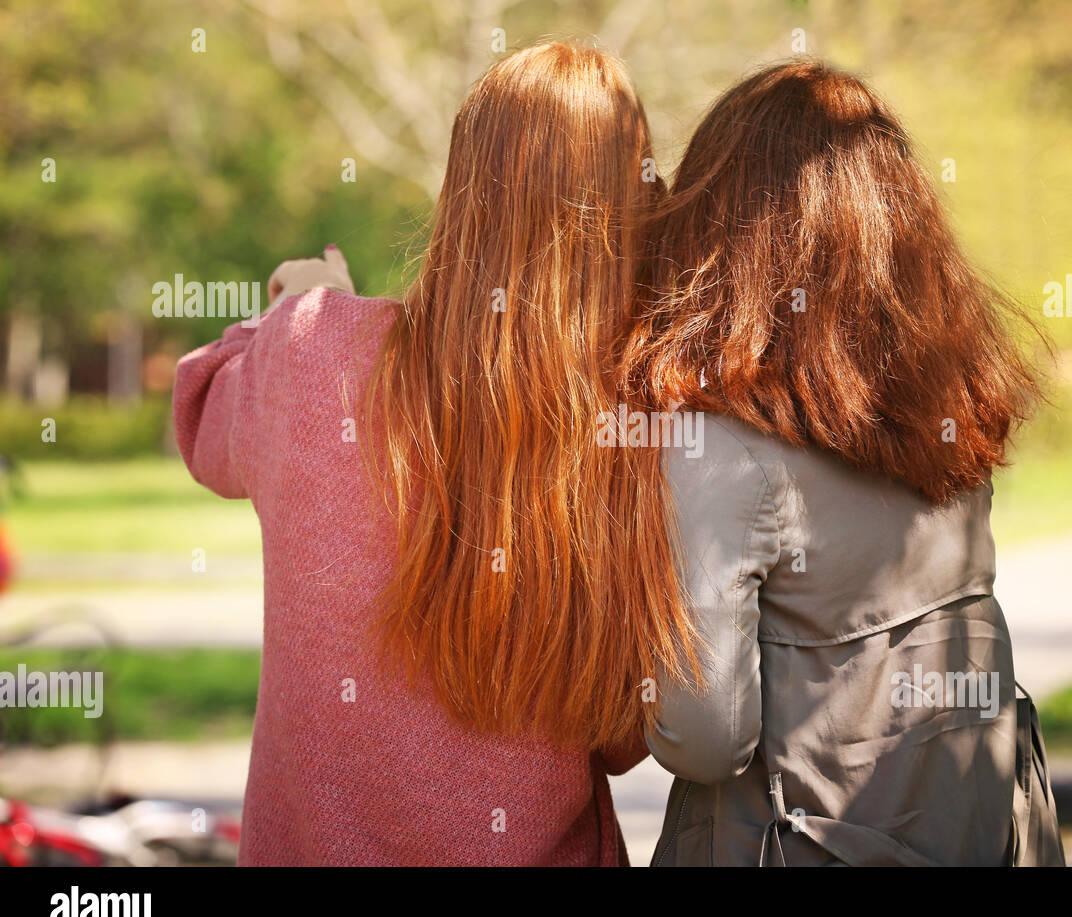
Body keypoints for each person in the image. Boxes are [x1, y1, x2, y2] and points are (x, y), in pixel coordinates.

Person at [173, 42, 694, 865]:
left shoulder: (316, 351)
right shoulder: (637, 421)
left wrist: (300, 309)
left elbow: (201, 417)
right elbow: (623, 735)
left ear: (463, 187)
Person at [622, 61, 1061, 866]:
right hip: (976, 834)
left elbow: (705, 740)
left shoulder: (721, 455)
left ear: (718, 229)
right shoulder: (944, 410)